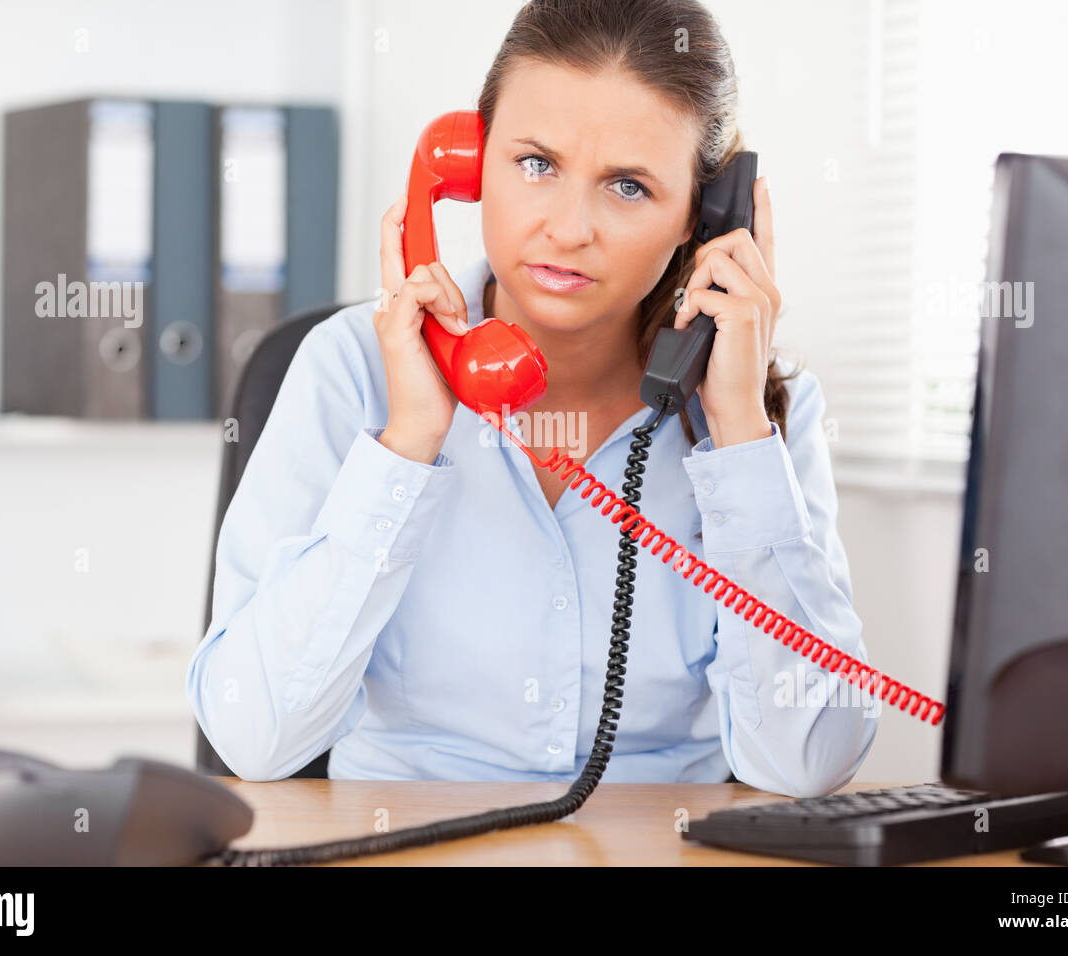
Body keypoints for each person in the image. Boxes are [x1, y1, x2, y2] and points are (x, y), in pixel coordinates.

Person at [186, 0, 878, 792]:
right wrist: (407, 444)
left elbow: (809, 767)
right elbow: (251, 738)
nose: (568, 227)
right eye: (536, 165)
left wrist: (739, 439)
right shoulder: (349, 370)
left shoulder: (760, 410)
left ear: (705, 215)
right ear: (470, 164)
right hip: (406, 842)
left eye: (627, 185)